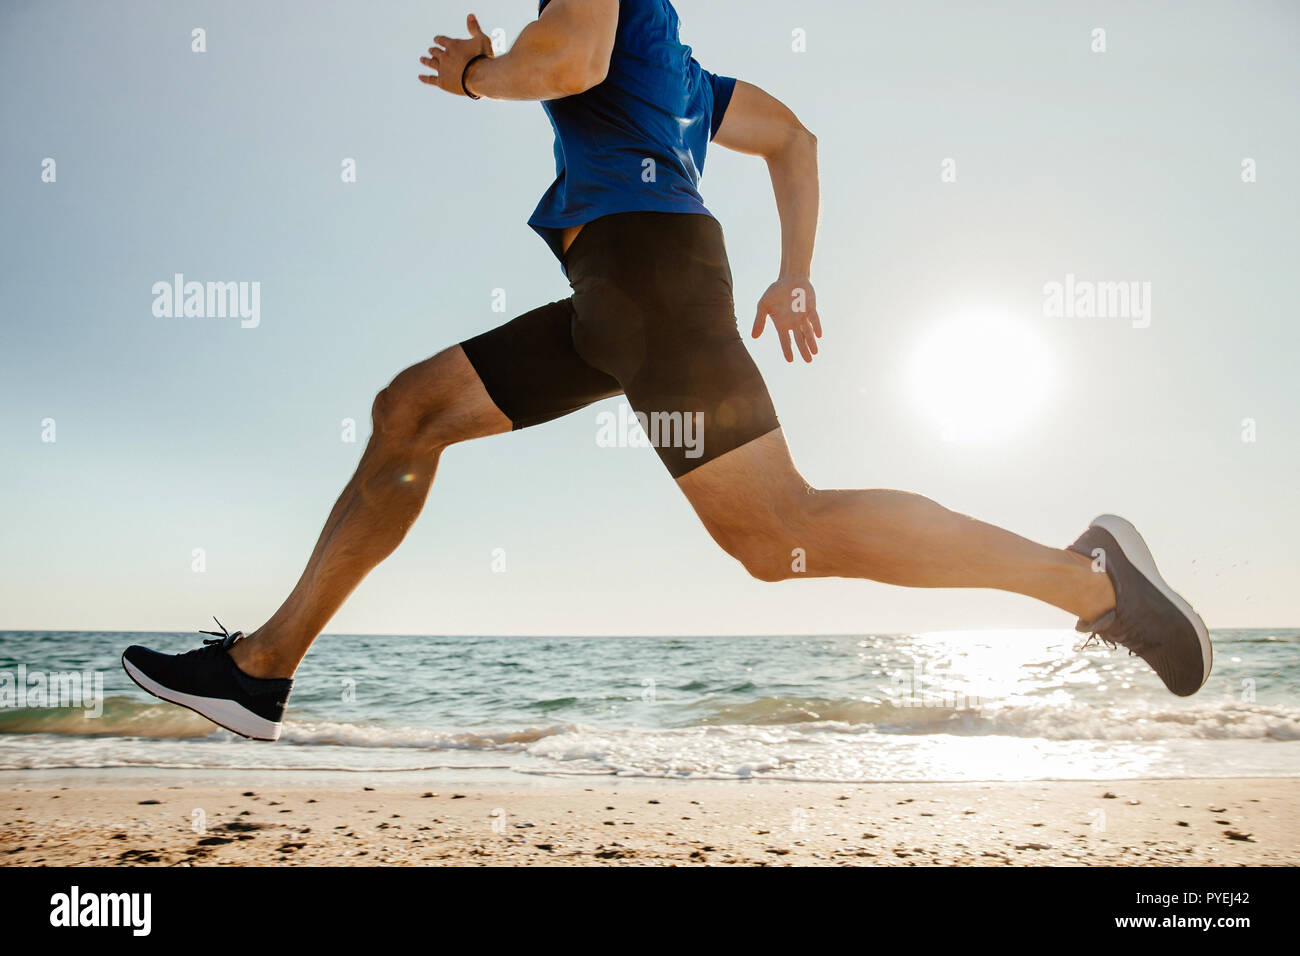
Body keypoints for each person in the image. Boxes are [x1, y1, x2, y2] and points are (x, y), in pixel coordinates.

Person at [122, 0, 1211, 741]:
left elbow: (565, 63)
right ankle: (262, 670)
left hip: (649, 284)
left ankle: (1092, 580)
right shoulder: (685, 73)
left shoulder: (614, 25)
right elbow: (794, 138)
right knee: (409, 412)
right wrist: (796, 274)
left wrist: (474, 74)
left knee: (781, 530)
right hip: (620, 301)